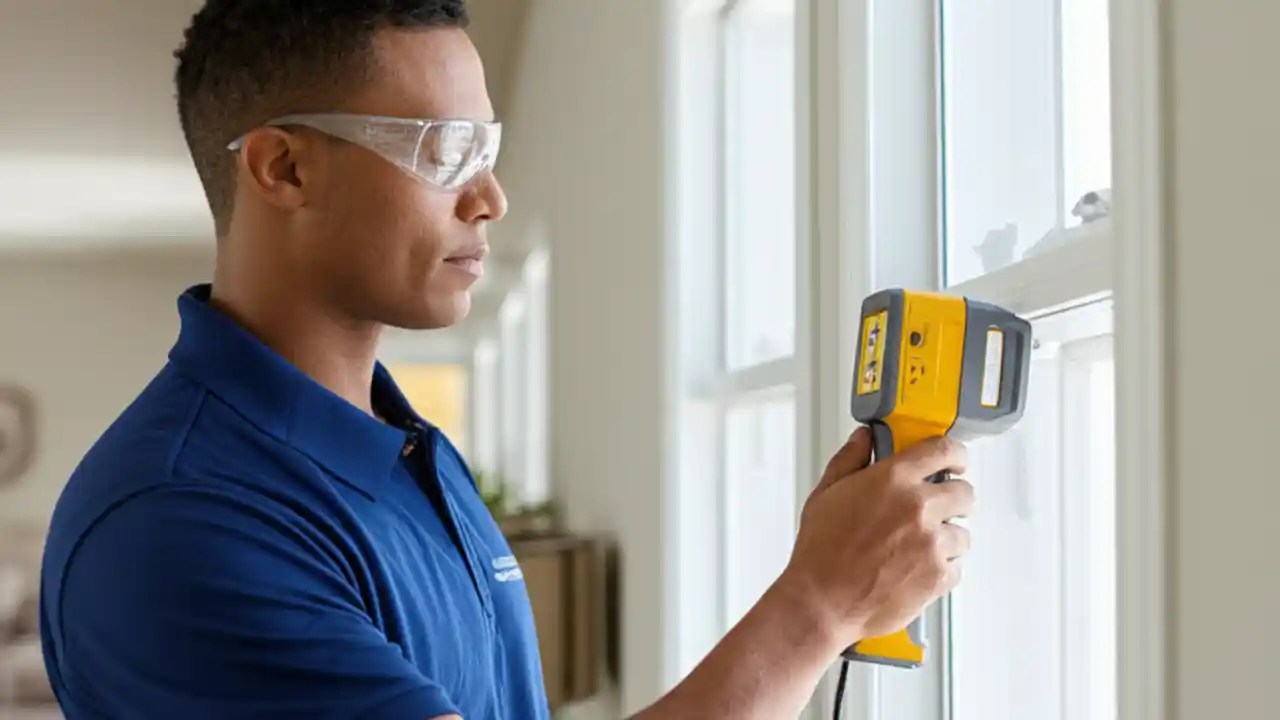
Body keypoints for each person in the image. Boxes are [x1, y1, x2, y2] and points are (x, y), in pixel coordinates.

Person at [39, 2, 975, 718]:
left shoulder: (404, 449)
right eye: (446, 150)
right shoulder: (184, 521)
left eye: (486, 147)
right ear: (284, 169)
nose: (490, 197)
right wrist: (817, 607)